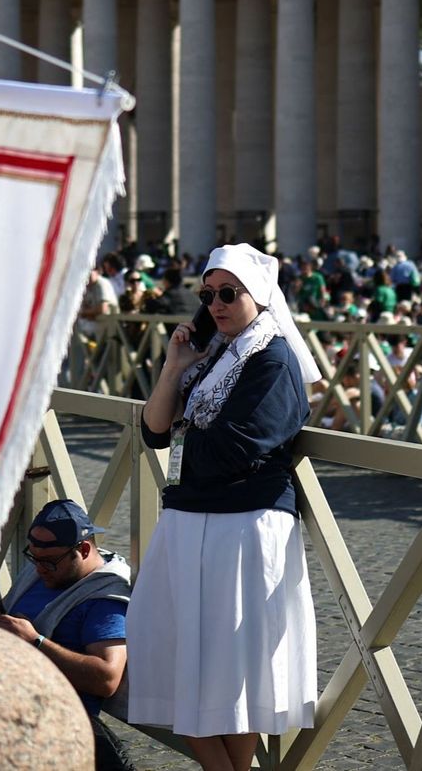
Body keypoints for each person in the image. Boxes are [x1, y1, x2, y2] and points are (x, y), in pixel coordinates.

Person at [130, 243, 320, 770]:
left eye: (229, 293)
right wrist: (173, 369)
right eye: (208, 294)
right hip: (191, 520)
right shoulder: (211, 356)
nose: (216, 304)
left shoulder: (274, 358)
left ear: (257, 296)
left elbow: (235, 446)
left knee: (232, 672)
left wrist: (187, 430)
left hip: (244, 524)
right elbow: (153, 431)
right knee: (176, 657)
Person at [0, 500, 135, 771]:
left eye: (49, 561)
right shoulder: (41, 572)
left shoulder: (104, 600)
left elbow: (106, 679)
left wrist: (35, 642)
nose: (39, 568)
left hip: (52, 713)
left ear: (82, 550)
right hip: (7, 692)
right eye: (33, 557)